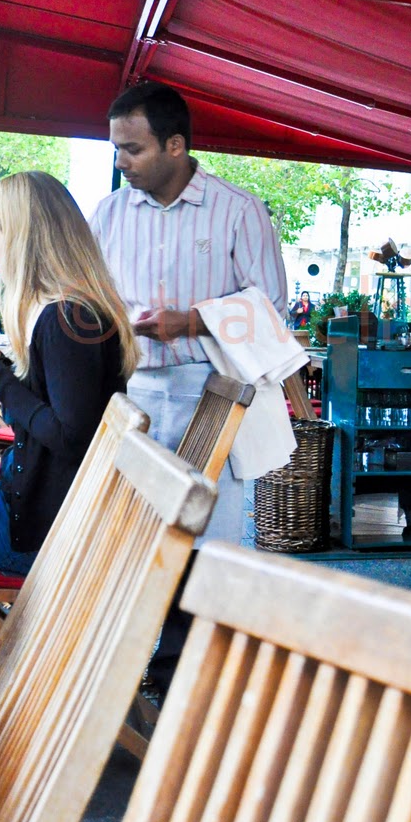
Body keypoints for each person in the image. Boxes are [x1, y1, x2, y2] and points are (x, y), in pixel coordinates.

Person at [91, 82, 287, 545]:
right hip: (129, 390)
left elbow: (272, 308)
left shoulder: (239, 210)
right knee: (132, 537)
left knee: (205, 541)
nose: (121, 162)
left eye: (133, 149)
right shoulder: (109, 213)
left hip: (211, 390)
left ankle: (201, 618)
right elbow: (88, 294)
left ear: (175, 145)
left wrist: (191, 322)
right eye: (117, 149)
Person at [0, 172, 137, 576]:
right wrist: (1, 367)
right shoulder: (69, 313)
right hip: (32, 512)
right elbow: (54, 410)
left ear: (24, 239)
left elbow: (71, 438)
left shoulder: (68, 320)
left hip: (39, 534)